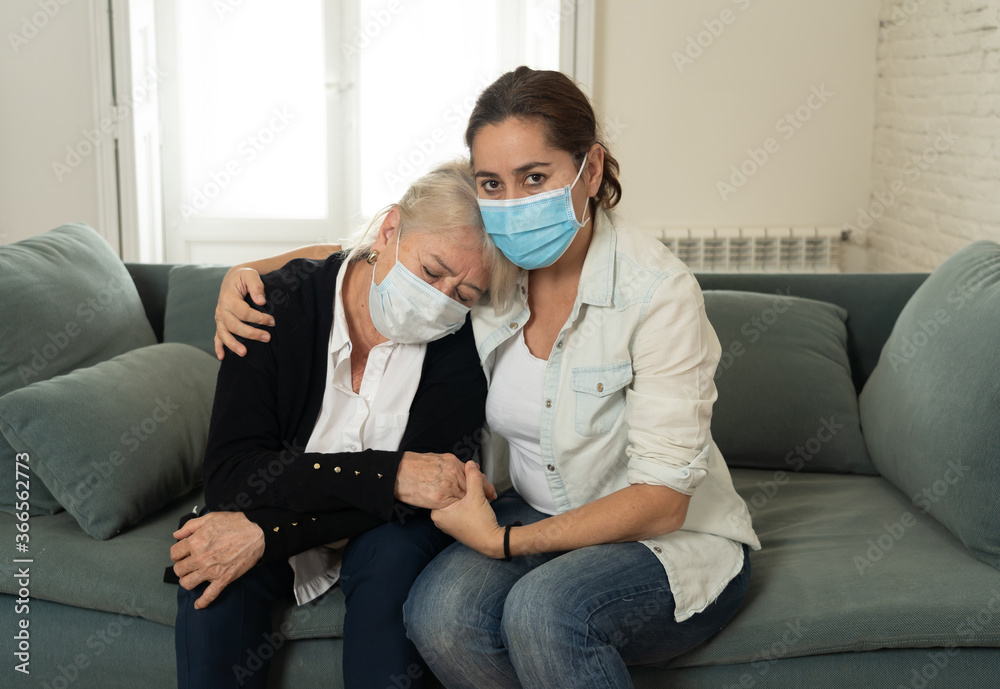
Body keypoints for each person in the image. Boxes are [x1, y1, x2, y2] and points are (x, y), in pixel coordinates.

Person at [213, 67, 761, 689]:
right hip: (532, 509)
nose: (516, 204)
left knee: (544, 610)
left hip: (666, 541)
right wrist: (250, 271)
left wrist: (504, 544)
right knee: (438, 616)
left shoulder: (658, 294)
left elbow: (663, 500)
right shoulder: (491, 273)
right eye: (492, 184)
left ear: (593, 169)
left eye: (536, 177)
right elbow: (384, 243)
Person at [170, 160, 518, 689]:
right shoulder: (271, 305)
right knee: (209, 571)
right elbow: (235, 477)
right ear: (390, 229)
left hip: (385, 530)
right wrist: (388, 475)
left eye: (464, 295)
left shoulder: (463, 345)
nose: (442, 298)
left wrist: (269, 530)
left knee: (393, 558)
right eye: (431, 271)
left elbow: (427, 490)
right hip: (278, 505)